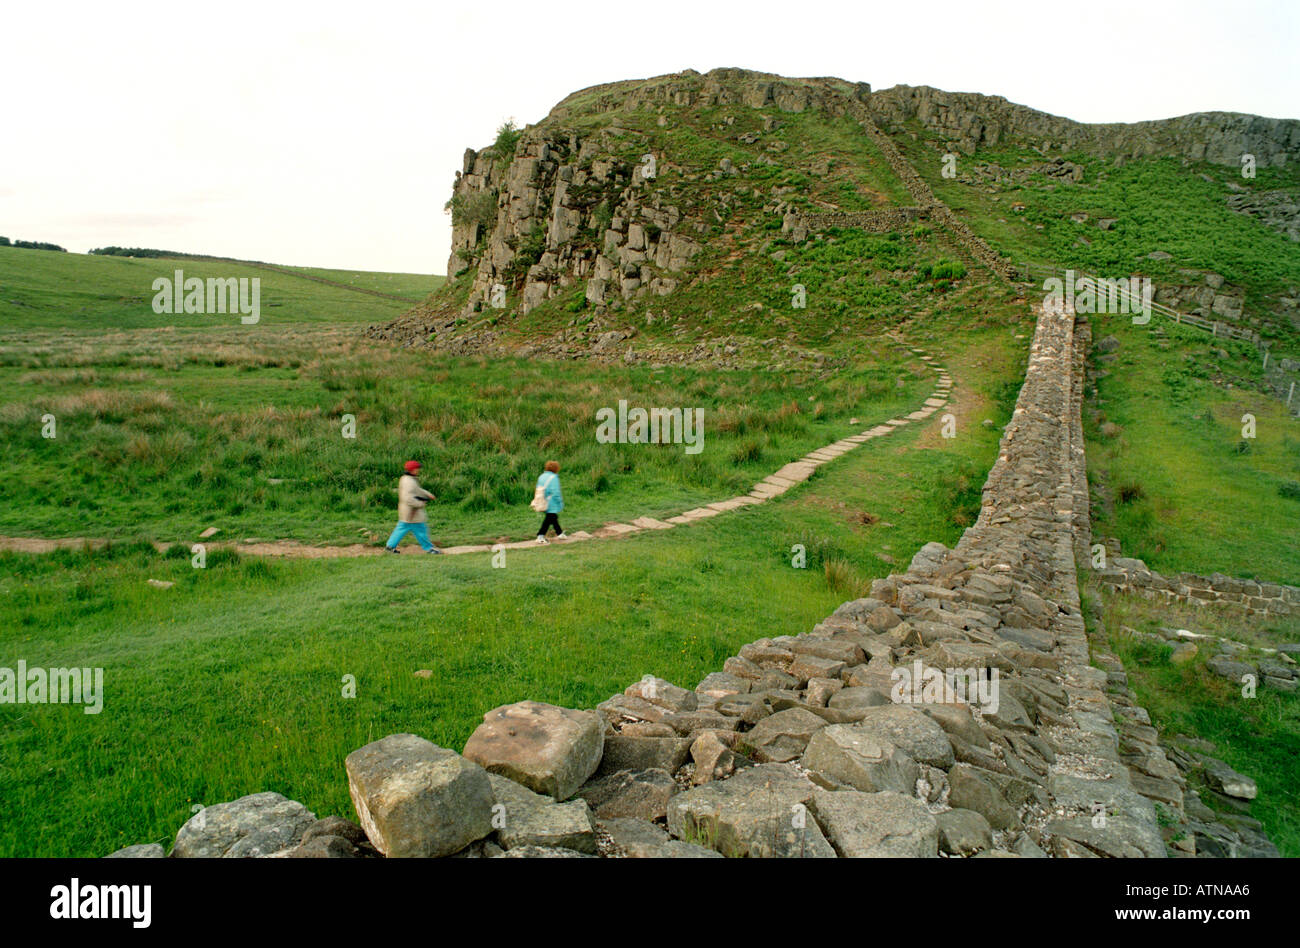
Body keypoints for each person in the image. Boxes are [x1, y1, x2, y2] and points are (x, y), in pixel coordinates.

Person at [386, 460, 441, 554]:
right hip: (412, 512)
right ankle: (429, 548)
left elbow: (417, 490)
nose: (419, 470)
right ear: (413, 470)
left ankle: (390, 547)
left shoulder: (407, 479)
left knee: (401, 528)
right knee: (421, 530)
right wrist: (421, 504)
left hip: (407, 512)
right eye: (417, 468)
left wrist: (428, 494)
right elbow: (408, 498)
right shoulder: (409, 482)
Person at [535, 460, 566, 544]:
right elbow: (556, 492)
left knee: (553, 517)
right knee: (549, 519)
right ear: (556, 469)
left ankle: (560, 533)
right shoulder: (554, 478)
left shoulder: (541, 476)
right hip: (551, 502)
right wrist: (560, 502)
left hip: (543, 500)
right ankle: (540, 536)